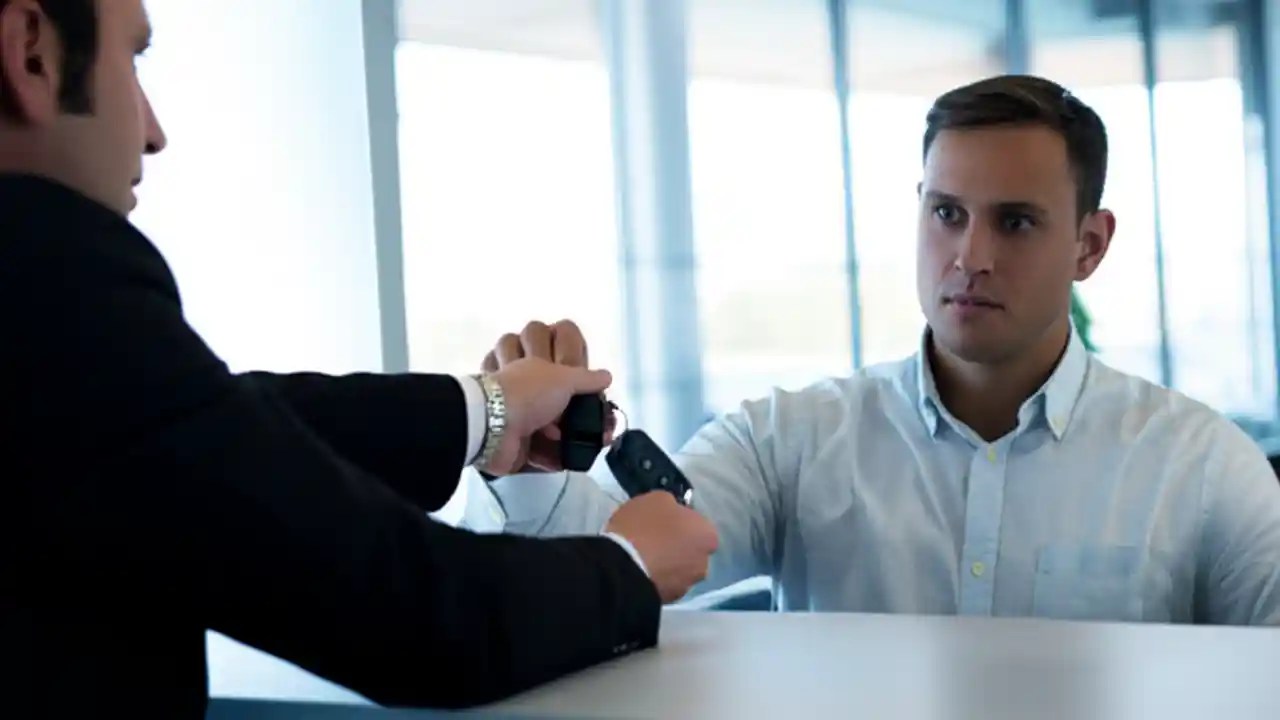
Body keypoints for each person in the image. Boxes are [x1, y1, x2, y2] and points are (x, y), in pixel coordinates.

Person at [0, 0, 718, 715]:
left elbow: (206, 429)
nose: (154, 132)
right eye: (133, 59)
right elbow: (418, 613)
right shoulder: (52, 275)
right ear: (30, 50)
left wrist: (488, 411)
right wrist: (627, 566)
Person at [476, 74, 1280, 625]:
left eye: (1016, 221)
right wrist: (525, 467)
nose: (971, 256)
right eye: (947, 213)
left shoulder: (1203, 468)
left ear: (1090, 245)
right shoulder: (787, 443)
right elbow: (613, 569)